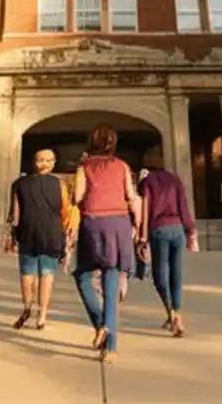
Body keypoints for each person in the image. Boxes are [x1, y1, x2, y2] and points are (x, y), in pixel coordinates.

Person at [73, 124, 141, 363]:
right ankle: (110, 345)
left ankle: (101, 324)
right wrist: (139, 226)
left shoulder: (85, 167)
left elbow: (77, 197)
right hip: (119, 222)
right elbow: (131, 196)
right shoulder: (122, 166)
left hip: (93, 222)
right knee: (112, 276)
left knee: (82, 275)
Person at [6, 149, 77, 330]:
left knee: (27, 273)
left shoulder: (19, 184)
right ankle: (42, 315)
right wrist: (68, 235)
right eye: (46, 160)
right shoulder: (59, 184)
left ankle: (27, 307)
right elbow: (65, 211)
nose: (47, 163)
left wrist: (12, 235)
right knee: (47, 274)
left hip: (28, 232)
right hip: (52, 234)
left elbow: (16, 215)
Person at [138, 144, 198, 337]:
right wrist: (191, 232)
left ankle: (171, 312)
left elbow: (145, 208)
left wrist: (143, 237)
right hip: (177, 228)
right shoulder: (175, 181)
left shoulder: (147, 182)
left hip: (158, 229)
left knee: (160, 274)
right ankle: (177, 313)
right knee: (176, 273)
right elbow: (184, 206)